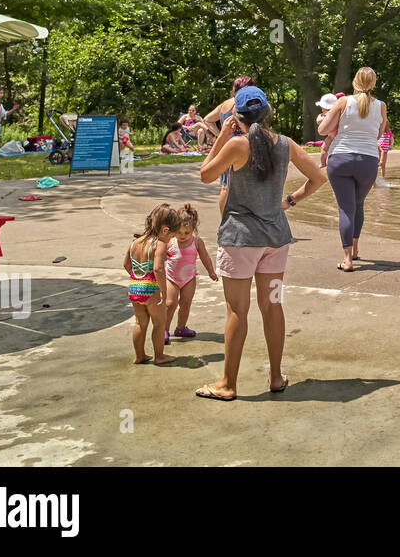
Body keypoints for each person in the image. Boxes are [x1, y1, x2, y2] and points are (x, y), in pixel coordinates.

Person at [196, 85, 326, 400]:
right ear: (267, 113)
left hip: (241, 238)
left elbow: (205, 175)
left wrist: (222, 137)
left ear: (236, 116)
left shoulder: (237, 145)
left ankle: (227, 384)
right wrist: (289, 201)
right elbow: (319, 178)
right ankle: (277, 377)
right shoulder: (285, 144)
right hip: (276, 239)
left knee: (237, 310)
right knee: (272, 306)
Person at [317, 67, 389, 271]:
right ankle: (355, 251)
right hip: (368, 161)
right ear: (373, 83)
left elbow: (322, 130)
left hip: (341, 158)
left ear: (355, 82)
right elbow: (378, 135)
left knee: (345, 208)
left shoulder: (343, 102)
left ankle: (347, 259)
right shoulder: (381, 106)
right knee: (358, 204)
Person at [124, 203, 181, 366]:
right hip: (152, 290)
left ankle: (140, 356)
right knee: (159, 323)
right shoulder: (159, 244)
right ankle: (159, 356)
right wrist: (162, 291)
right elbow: (158, 268)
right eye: (172, 236)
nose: (170, 240)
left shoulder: (135, 243)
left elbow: (126, 265)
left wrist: (138, 280)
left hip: (135, 288)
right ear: (164, 230)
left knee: (140, 323)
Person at [164, 202, 217, 343]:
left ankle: (181, 328)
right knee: (170, 304)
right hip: (171, 278)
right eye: (179, 232)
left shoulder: (197, 242)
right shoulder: (170, 241)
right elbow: (158, 255)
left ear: (193, 229)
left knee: (186, 304)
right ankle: (164, 329)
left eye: (186, 233)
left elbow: (205, 257)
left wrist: (211, 271)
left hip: (189, 278)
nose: (182, 236)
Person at [203, 75, 253, 216]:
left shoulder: (225, 104)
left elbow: (207, 119)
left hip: (225, 147)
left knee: (225, 187)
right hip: (238, 149)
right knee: (237, 187)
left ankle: (224, 221)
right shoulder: (240, 105)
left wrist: (221, 134)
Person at [314, 92, 338, 168]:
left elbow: (318, 121)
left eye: (322, 107)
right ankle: (324, 163)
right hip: (337, 136)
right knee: (324, 148)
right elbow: (318, 121)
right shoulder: (337, 113)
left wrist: (327, 116)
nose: (321, 109)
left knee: (324, 148)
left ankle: (323, 163)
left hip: (332, 136)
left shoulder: (333, 114)